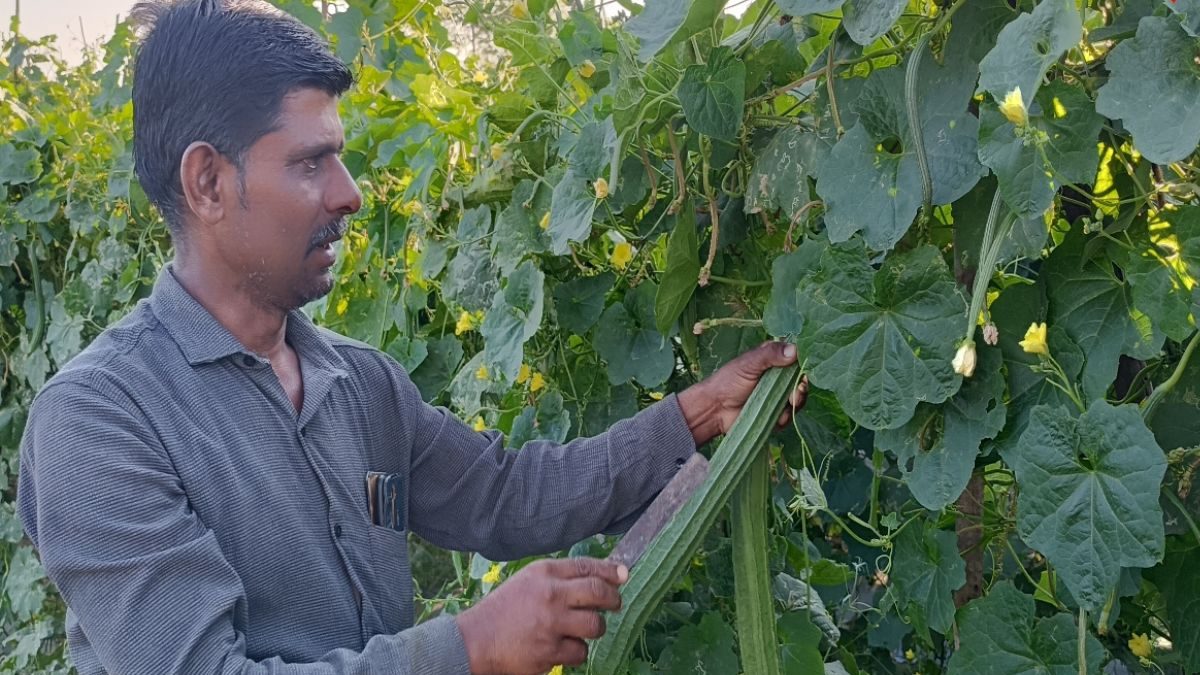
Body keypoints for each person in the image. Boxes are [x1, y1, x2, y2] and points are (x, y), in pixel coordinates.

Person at [15, 1, 806, 673]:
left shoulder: (360, 384)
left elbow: (506, 496)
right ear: (208, 182)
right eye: (311, 163)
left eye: (341, 157)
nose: (351, 194)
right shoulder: (99, 422)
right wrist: (471, 646)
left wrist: (699, 414)